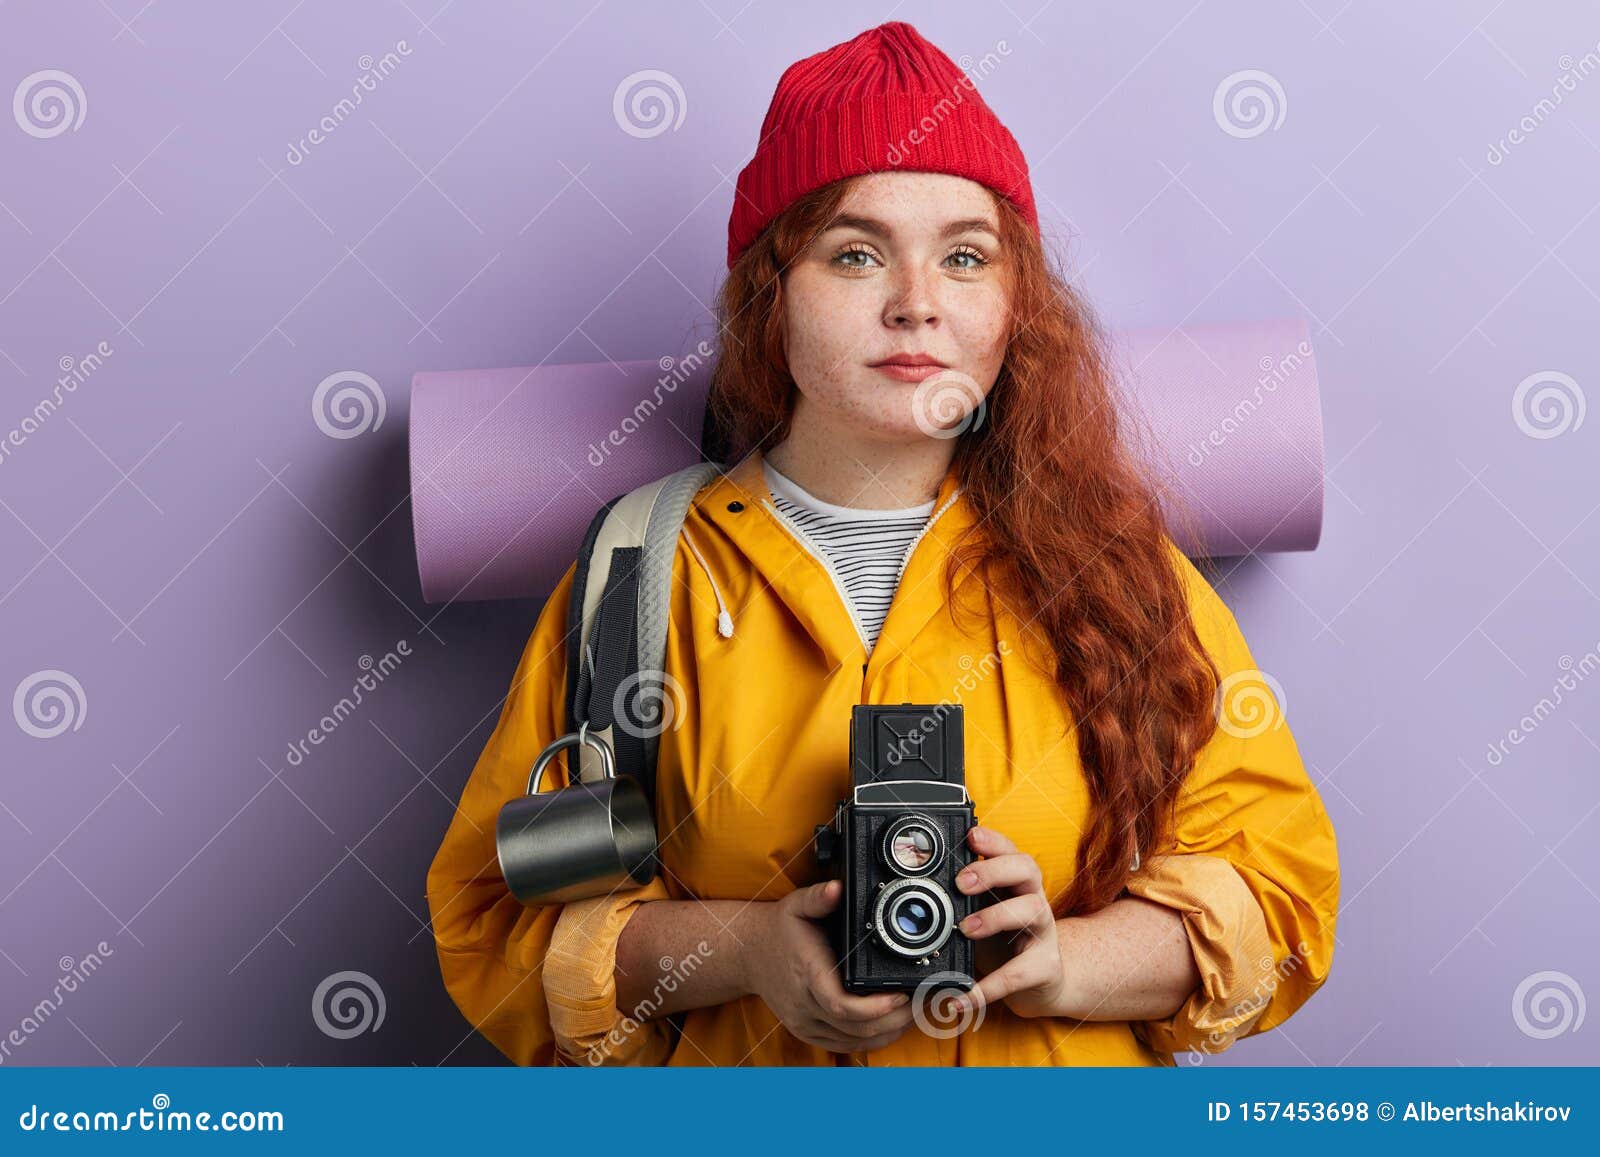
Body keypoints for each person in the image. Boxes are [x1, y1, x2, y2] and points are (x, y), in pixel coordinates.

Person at [425, 20, 1338, 1067]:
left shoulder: (1116, 569)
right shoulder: (642, 573)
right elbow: (497, 925)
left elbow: (1279, 890)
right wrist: (746, 949)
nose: (916, 305)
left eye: (965, 256)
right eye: (855, 254)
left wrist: (1063, 962)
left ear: (1015, 302)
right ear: (770, 296)